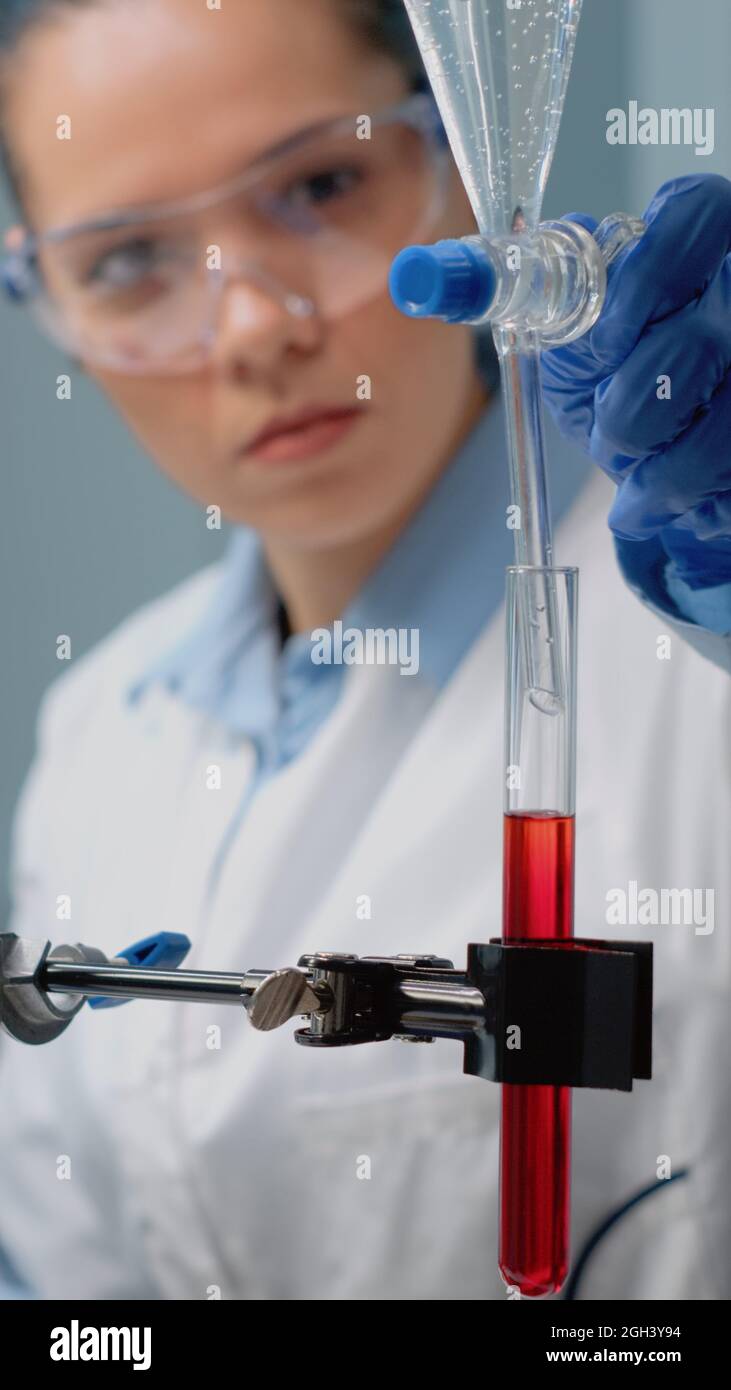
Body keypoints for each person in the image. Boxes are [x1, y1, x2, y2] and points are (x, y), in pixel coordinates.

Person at [0, 0, 728, 1301]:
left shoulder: (700, 623)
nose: (254, 329)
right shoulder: (99, 727)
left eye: (323, 183)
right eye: (126, 262)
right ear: (37, 295)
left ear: (456, 161)